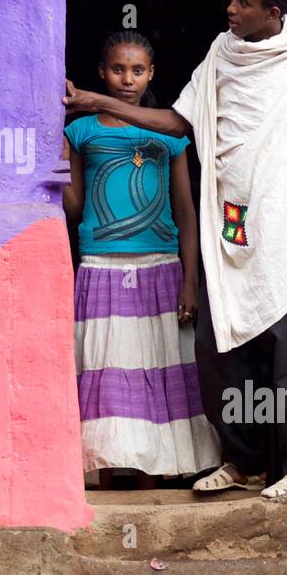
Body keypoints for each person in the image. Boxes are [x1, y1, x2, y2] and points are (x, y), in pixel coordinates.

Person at [64, 0, 287, 498]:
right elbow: (181, 123)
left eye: (243, 2)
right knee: (222, 351)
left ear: (274, 13)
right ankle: (244, 462)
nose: (230, 8)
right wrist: (98, 103)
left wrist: (100, 102)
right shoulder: (221, 54)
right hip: (233, 227)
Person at [63, 31, 222, 488]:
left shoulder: (167, 133)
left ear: (151, 73)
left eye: (137, 70)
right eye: (117, 69)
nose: (127, 79)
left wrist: (190, 280)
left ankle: (154, 481)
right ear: (101, 71)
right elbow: (74, 211)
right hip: (101, 265)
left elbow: (187, 212)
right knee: (107, 372)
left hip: (160, 267)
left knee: (158, 374)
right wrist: (55, 164)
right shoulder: (81, 131)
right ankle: (110, 478)